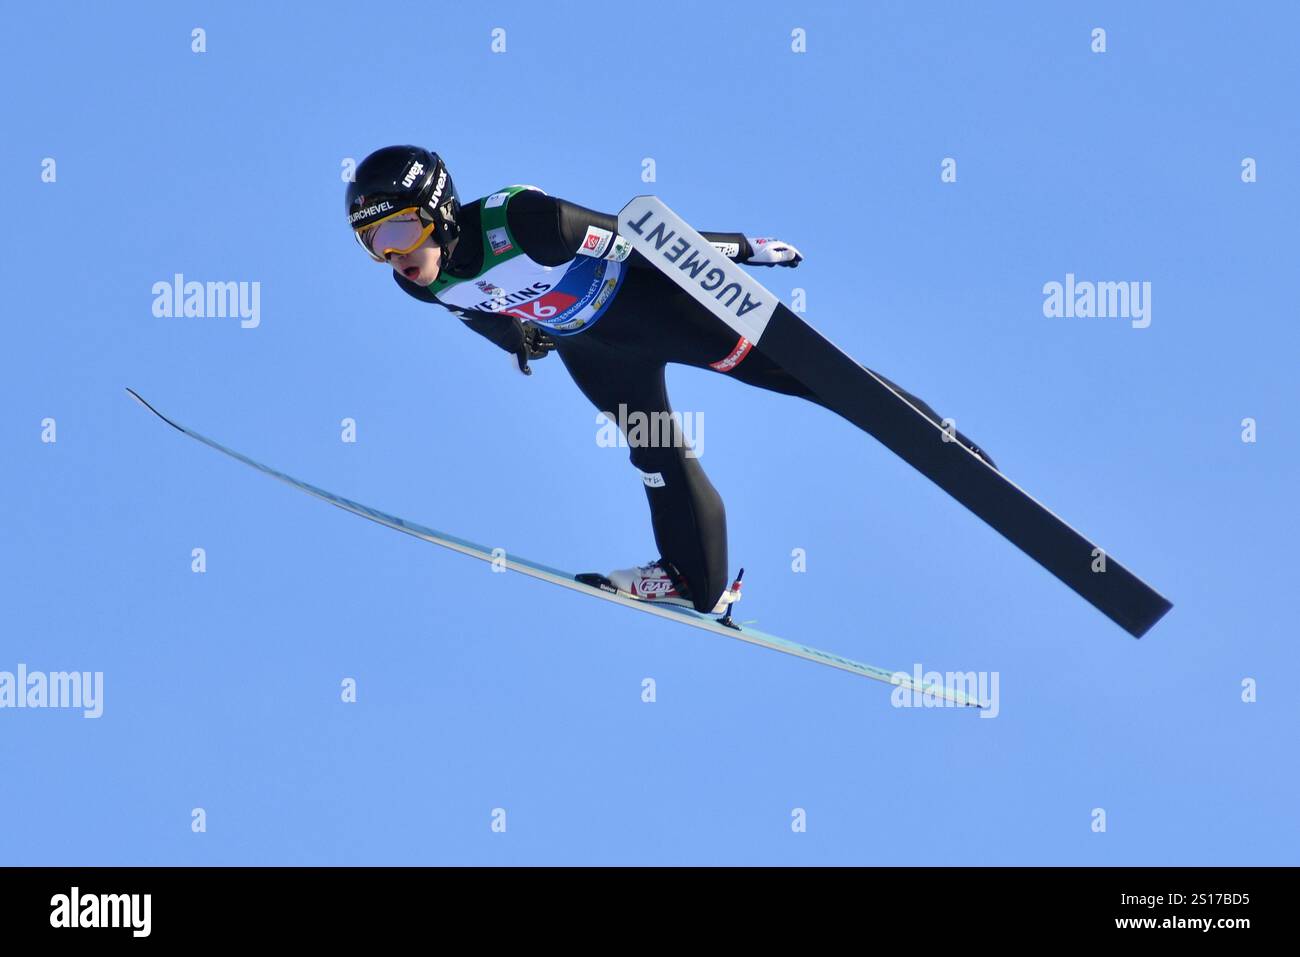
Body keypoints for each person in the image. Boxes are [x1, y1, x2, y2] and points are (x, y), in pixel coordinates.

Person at [346, 145, 994, 617]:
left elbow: (639, 238)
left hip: (655, 308)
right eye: (373, 243)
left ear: (439, 212)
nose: (393, 256)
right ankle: (696, 582)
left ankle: (949, 449)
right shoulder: (428, 291)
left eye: (399, 230)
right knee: (656, 457)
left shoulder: (519, 223)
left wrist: (741, 249)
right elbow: (482, 314)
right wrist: (523, 341)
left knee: (809, 378)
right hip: (597, 353)